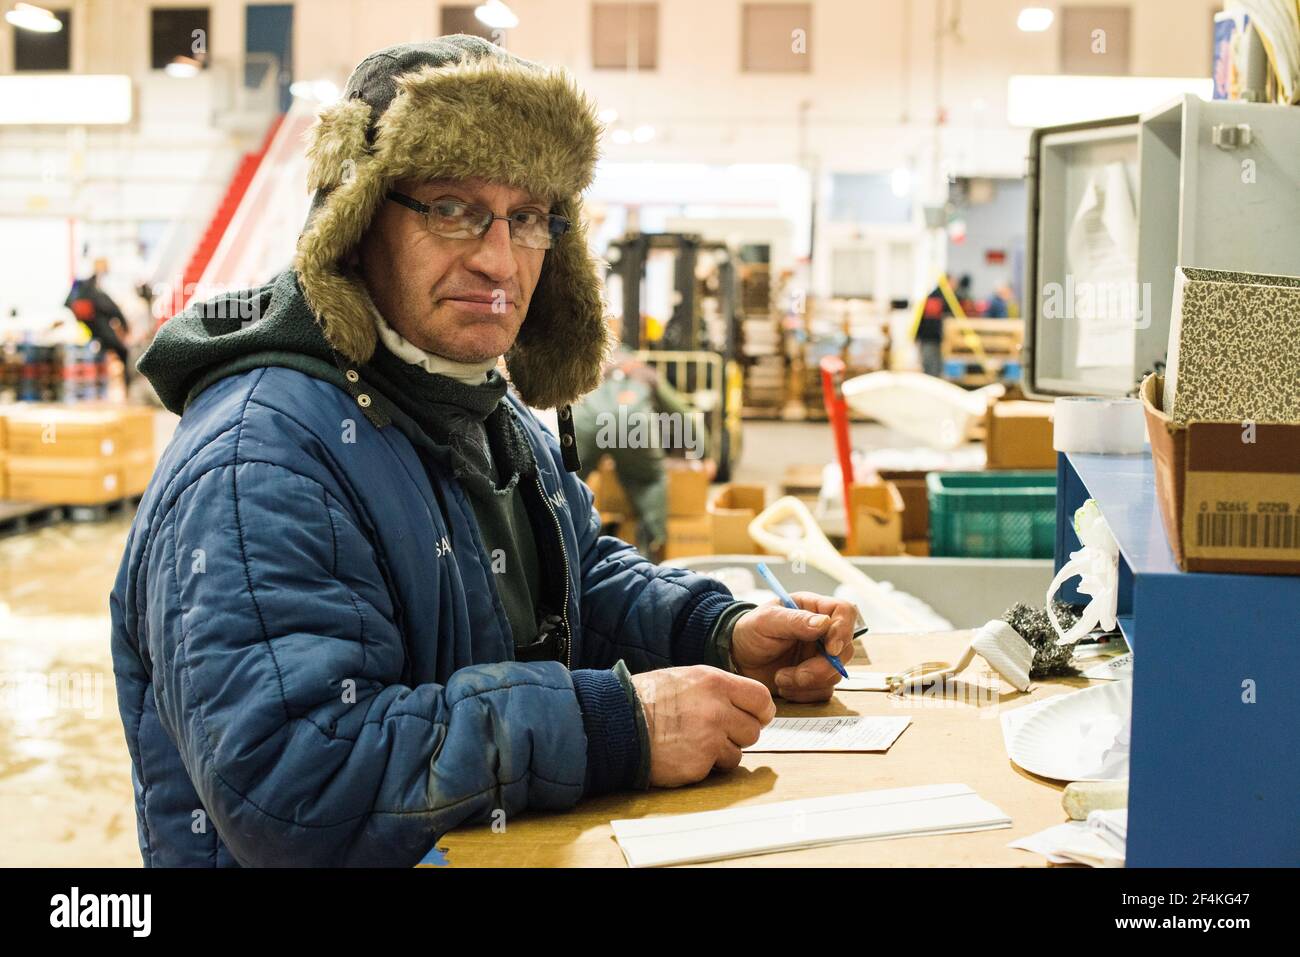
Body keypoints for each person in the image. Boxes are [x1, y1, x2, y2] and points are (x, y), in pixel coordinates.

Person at [110, 36, 857, 868]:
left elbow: (573, 580)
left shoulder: (479, 405)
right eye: (452, 207)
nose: (499, 260)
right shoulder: (260, 459)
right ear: (356, 220)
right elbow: (299, 776)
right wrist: (617, 725)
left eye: (528, 217)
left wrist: (715, 628)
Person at [65, 257, 133, 381]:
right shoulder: (91, 288)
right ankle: (128, 383)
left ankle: (115, 382)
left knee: (117, 350)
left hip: (90, 329)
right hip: (97, 330)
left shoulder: (85, 286)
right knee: (124, 351)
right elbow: (111, 309)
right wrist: (123, 324)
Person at [916, 273, 953, 378]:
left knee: (929, 363)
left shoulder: (932, 297)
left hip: (928, 336)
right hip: (933, 337)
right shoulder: (944, 298)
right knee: (933, 365)